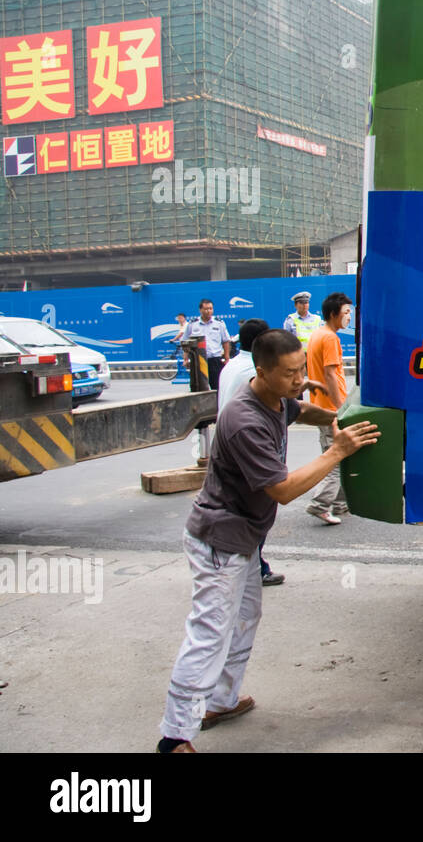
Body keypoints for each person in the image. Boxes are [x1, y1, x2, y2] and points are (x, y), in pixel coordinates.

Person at [157, 328, 380, 753]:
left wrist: (335, 416)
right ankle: (174, 735)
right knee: (209, 633)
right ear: (262, 371)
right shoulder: (244, 421)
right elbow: (282, 491)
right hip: (220, 541)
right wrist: (337, 451)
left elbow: (299, 410)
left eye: (302, 371)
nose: (300, 380)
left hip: (244, 539)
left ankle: (219, 702)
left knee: (242, 622)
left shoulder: (272, 397)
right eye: (291, 374)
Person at [219, 318, 284, 587]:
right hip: (246, 448)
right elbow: (284, 490)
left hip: (230, 445)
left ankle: (252, 565)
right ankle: (253, 567)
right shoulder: (255, 372)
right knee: (252, 510)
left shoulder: (231, 365)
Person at [305, 292, 352, 525]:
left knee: (336, 454)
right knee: (335, 457)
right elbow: (331, 374)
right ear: (333, 314)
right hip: (331, 409)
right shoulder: (330, 339)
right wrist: (341, 409)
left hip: (320, 407)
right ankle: (320, 504)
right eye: (345, 313)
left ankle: (340, 503)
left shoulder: (318, 334)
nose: (349, 317)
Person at [182, 298, 231, 391]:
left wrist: (227, 358)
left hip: (214, 360)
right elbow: (186, 342)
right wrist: (185, 358)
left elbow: (226, 341)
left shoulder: (219, 323)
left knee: (217, 388)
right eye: (206, 309)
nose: (208, 311)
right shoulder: (193, 324)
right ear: (200, 310)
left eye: (210, 308)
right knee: (197, 388)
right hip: (197, 361)